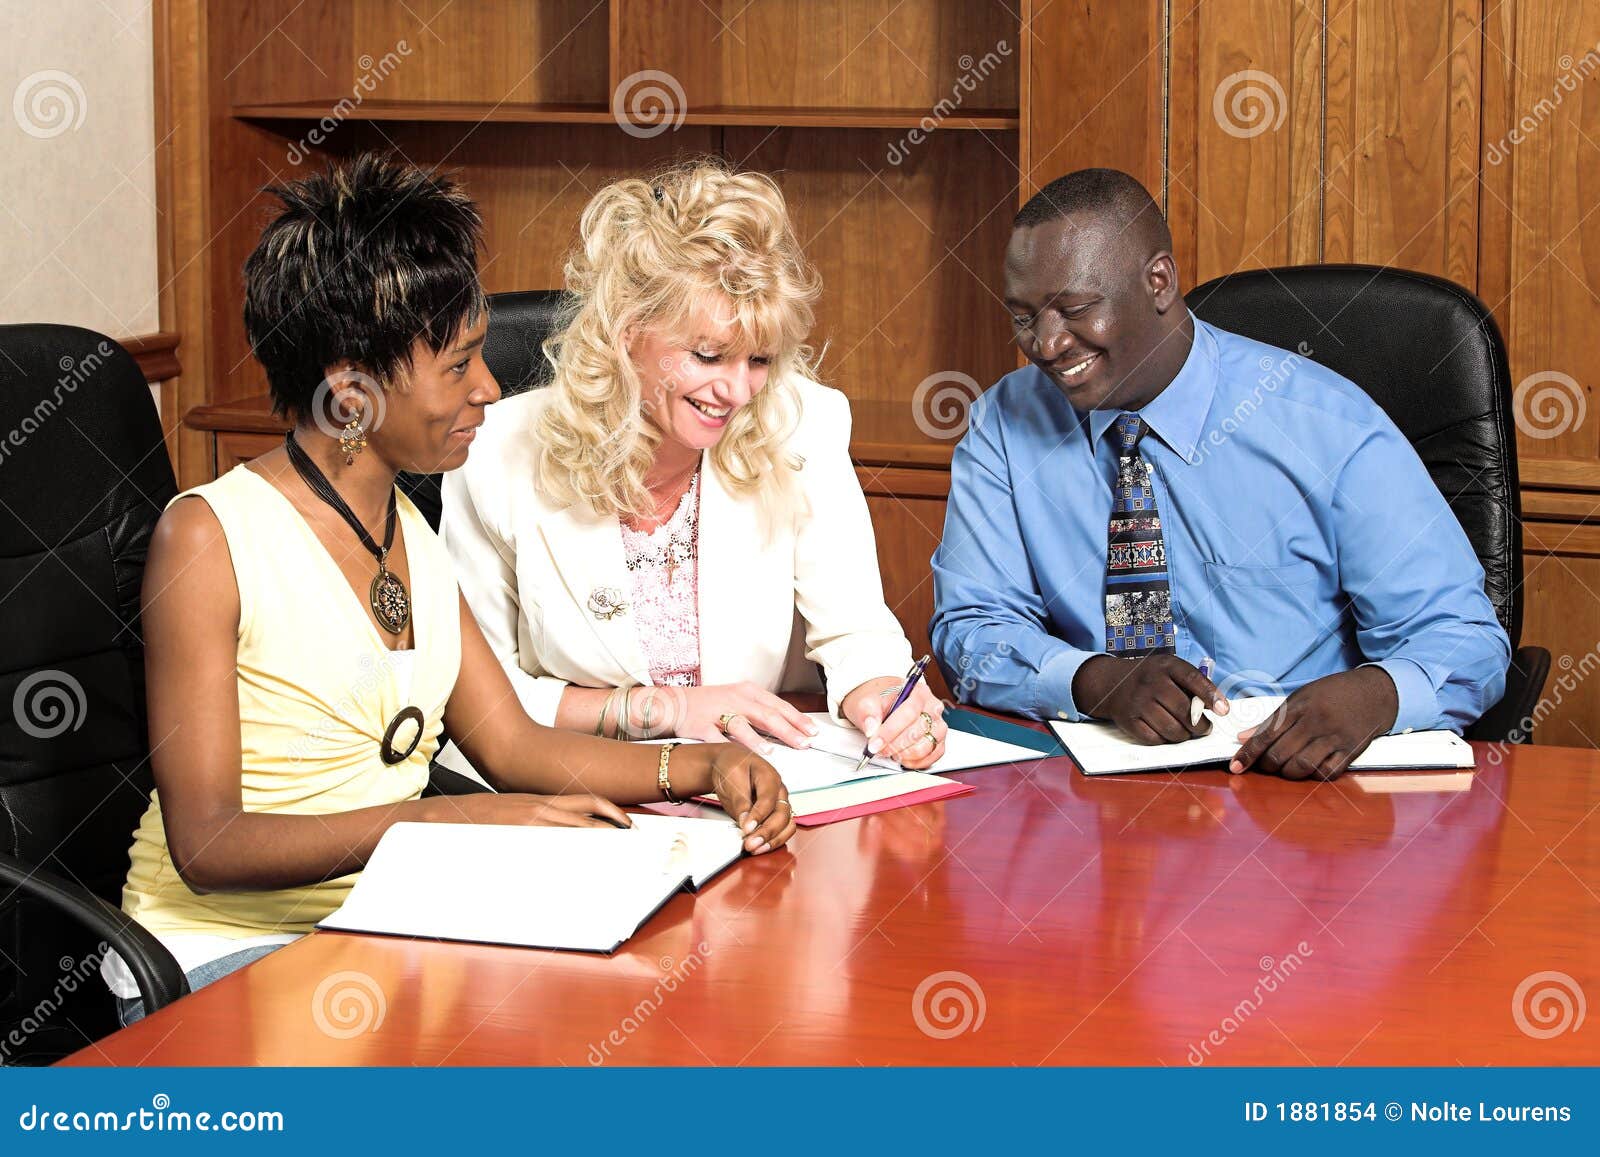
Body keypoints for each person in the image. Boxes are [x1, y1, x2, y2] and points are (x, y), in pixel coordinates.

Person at [103, 155, 792, 1024]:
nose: (490, 388)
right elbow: (208, 844)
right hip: (219, 953)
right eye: (459, 364)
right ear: (351, 391)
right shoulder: (205, 538)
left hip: (381, 924)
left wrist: (706, 763)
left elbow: (510, 745)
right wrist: (440, 826)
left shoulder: (408, 529)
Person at [931, 168, 1509, 781]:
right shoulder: (1004, 424)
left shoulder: (1327, 426)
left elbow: (1464, 636)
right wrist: (1093, 680)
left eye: (1073, 310)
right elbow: (971, 626)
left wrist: (1378, 695)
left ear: (1158, 282)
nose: (1046, 344)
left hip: (1296, 798)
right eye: (1023, 317)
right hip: (1096, 794)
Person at [438, 159, 947, 771]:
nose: (737, 391)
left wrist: (881, 694)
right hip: (575, 786)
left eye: (759, 359)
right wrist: (668, 710)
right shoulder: (496, 453)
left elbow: (854, 630)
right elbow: (476, 701)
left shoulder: (802, 424)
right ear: (627, 331)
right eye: (708, 355)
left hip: (758, 790)